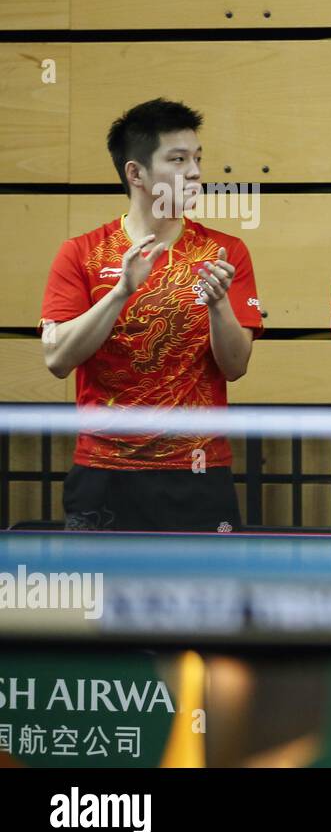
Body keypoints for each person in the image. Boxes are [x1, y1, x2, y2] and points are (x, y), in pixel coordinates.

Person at [40, 98, 262, 532]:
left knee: (206, 600)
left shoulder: (225, 253)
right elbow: (57, 359)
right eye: (178, 159)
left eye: (197, 158)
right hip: (104, 469)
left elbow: (235, 367)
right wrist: (121, 291)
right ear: (136, 173)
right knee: (100, 599)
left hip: (199, 467)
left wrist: (218, 305)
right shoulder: (81, 253)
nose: (195, 171)